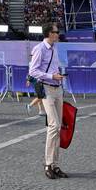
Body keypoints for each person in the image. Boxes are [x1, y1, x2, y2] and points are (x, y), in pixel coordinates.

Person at [28, 24, 68, 180]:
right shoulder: (40, 48)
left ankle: (55, 165)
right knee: (54, 125)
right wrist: (51, 76)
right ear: (49, 34)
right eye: (56, 32)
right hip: (47, 89)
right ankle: (48, 163)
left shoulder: (54, 49)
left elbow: (53, 67)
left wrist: (58, 75)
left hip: (58, 89)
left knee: (58, 128)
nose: (58, 34)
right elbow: (32, 71)